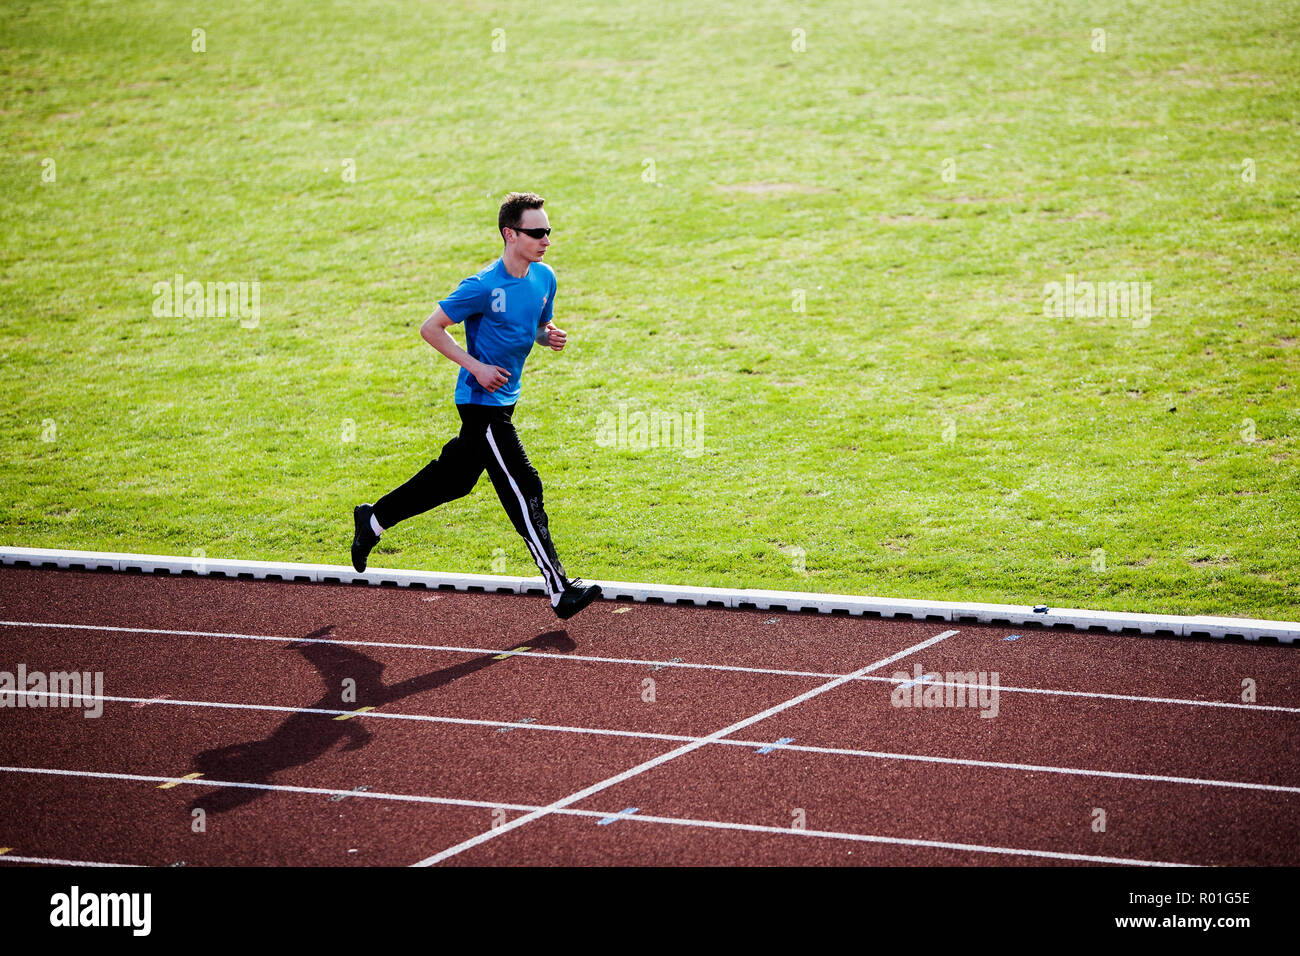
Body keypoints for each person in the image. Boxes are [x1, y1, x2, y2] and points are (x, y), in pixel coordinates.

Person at [350, 192, 602, 620]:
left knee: (454, 480)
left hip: (507, 399)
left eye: (548, 231)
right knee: (524, 485)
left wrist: (550, 336)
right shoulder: (482, 286)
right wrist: (476, 366)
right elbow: (431, 328)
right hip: (481, 403)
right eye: (536, 232)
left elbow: (537, 326)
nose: (545, 239)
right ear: (510, 234)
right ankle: (559, 588)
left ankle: (372, 520)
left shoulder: (545, 279)